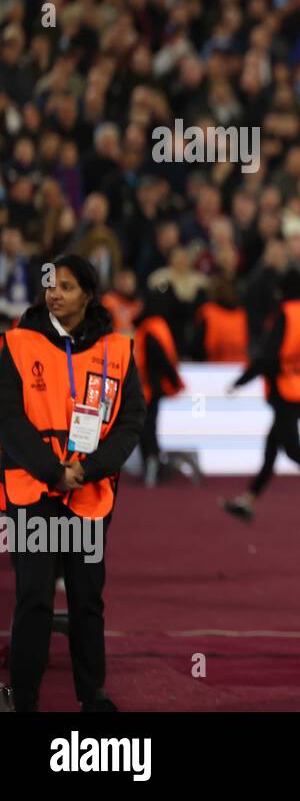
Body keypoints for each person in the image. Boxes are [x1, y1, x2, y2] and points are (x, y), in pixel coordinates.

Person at [0, 253, 145, 711]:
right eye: (50, 285)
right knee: (34, 598)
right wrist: (54, 471)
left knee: (87, 599)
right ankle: (23, 697)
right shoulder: (17, 344)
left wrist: (90, 468)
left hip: (89, 493)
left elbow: (130, 421)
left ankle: (92, 693)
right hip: (33, 489)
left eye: (65, 286)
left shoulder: (117, 350)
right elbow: (8, 419)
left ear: (87, 293)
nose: (54, 293)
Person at [222, 269, 300, 521]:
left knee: (293, 450)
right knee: (272, 448)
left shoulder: (287, 314)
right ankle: (248, 501)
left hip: (288, 391)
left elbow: (268, 357)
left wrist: (240, 382)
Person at [133, 292, 185, 485]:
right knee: (149, 426)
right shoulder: (160, 326)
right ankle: (154, 462)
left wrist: (173, 378)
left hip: (149, 387)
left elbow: (159, 357)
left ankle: (152, 462)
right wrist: (174, 380)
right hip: (156, 387)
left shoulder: (149, 329)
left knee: (145, 428)